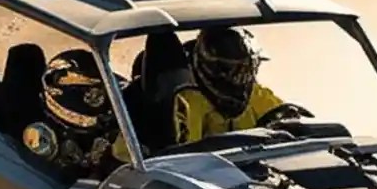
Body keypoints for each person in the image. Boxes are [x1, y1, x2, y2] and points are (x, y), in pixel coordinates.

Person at [112, 26, 284, 162]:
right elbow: (185, 161)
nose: (239, 80)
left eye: (246, 71)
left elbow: (285, 117)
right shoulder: (184, 98)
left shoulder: (255, 93)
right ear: (211, 68)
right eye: (230, 71)